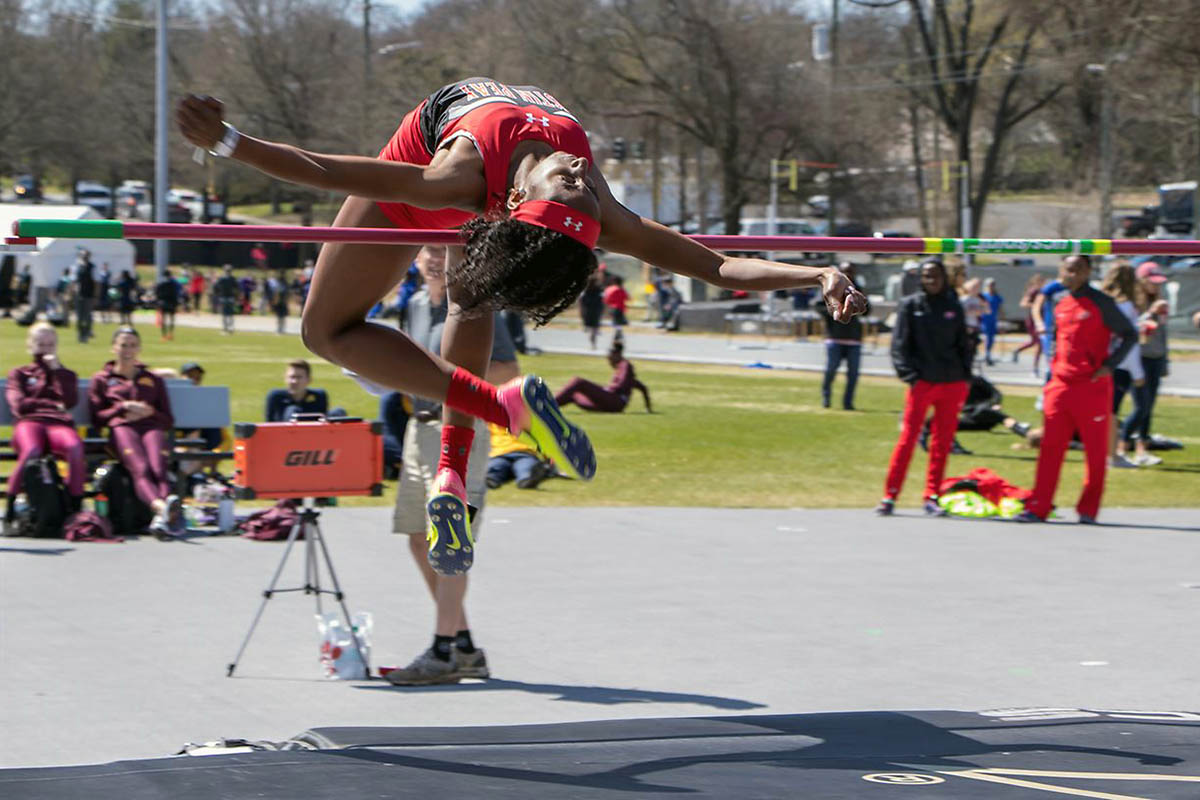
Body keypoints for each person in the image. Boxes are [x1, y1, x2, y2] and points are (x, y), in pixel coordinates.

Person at [176, 79, 865, 574]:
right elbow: (715, 265)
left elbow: (332, 172)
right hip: (458, 201)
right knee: (463, 297)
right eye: (578, 189)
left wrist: (230, 142)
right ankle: (460, 460)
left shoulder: (458, 179)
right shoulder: (594, 205)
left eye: (571, 189)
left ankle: (468, 446)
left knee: (325, 333)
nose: (579, 178)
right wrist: (814, 275)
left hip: (422, 196)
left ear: (516, 202)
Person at [382, 244, 519, 685]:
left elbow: (505, 371)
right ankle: (462, 645)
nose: (437, 258)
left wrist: (446, 379)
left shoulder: (476, 306)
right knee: (418, 539)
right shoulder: (417, 306)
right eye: (428, 250)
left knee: (450, 544)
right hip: (418, 428)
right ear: (415, 259)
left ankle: (443, 651)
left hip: (462, 430)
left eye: (445, 250)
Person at [1015, 256, 1136, 524]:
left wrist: (1109, 365)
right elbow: (1058, 338)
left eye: (1079, 269)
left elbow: (1130, 334)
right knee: (1050, 448)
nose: (1073, 274)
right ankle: (1039, 506)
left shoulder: (1102, 302)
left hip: (1091, 387)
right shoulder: (1061, 302)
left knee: (1095, 451)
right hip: (1060, 386)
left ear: (1088, 272)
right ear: (1061, 272)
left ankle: (1088, 508)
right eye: (1068, 269)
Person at [876, 259, 972, 518]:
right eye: (927, 276)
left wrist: (965, 377)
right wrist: (910, 377)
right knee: (908, 439)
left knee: (942, 444)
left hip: (951, 383)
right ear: (921, 279)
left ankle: (932, 495)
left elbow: (964, 343)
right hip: (923, 383)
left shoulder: (953, 306)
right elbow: (899, 345)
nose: (932, 281)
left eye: (937, 276)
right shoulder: (910, 306)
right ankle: (890, 495)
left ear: (944, 278)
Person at [87, 327, 183, 536]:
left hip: (150, 427)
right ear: (114, 348)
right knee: (140, 468)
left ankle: (161, 513)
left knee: (158, 467)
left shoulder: (152, 379)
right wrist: (122, 408)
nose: (127, 350)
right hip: (121, 429)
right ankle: (162, 508)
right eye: (122, 345)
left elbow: (167, 419)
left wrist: (148, 412)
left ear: (139, 348)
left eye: (132, 345)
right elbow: (96, 418)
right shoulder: (102, 379)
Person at [4, 324, 86, 522]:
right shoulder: (20, 374)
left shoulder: (66, 375)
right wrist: (51, 403)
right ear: (30, 345)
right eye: (40, 344)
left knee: (75, 447)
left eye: (50, 344)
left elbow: (68, 401)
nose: (45, 349)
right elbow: (19, 405)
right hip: (29, 423)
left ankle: (74, 506)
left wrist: (57, 371)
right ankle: (10, 505)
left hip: (58, 425)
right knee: (32, 450)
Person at [1100, 262, 1150, 469]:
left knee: (1104, 411)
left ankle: (1106, 453)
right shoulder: (1127, 306)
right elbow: (1128, 342)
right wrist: (1137, 372)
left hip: (1103, 360)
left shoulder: (1105, 301)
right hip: (1118, 365)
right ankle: (1112, 456)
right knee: (1112, 412)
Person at [1124, 262, 1170, 456]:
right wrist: (1151, 312)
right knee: (1141, 406)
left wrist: (1166, 359)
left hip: (1156, 358)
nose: (1157, 286)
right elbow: (1133, 328)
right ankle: (1122, 443)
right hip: (1139, 358)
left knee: (1149, 406)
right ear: (1142, 281)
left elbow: (1162, 334)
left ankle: (1143, 446)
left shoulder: (1160, 301)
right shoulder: (1133, 301)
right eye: (1153, 282)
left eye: (1159, 283)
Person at [819, 262, 867, 411]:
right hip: (834, 337)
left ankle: (848, 403)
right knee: (830, 370)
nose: (849, 274)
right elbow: (817, 304)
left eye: (851, 271)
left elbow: (867, 309)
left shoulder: (858, 288)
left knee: (853, 374)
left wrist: (857, 304)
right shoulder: (832, 286)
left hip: (853, 339)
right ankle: (826, 397)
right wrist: (833, 309)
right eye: (846, 271)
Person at [555, 341, 651, 413]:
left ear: (616, 355)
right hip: (611, 405)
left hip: (615, 401)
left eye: (610, 357)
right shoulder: (624, 371)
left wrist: (607, 389)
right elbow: (642, 387)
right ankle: (548, 409)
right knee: (574, 395)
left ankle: (550, 403)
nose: (609, 360)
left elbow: (621, 384)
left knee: (578, 381)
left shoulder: (625, 365)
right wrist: (648, 408)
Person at [486, 423, 553, 490]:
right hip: (500, 453)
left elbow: (541, 438)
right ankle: (491, 478)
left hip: (523, 452)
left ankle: (527, 480)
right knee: (496, 465)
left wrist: (548, 457)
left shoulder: (527, 420)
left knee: (525, 466)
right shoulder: (490, 422)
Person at [265, 359, 333, 421]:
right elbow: (269, 422)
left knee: (338, 412)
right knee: (292, 410)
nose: (294, 381)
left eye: (299, 377)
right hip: (284, 433)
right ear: (285, 378)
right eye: (291, 377)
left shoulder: (319, 396)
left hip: (311, 433)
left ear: (309, 380)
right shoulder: (276, 397)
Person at [1012, 273, 1045, 371]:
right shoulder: (1033, 291)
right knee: (1038, 343)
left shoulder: (1042, 292)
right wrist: (1035, 305)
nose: (1042, 283)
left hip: (1040, 320)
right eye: (1040, 281)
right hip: (1032, 321)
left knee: (1035, 342)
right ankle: (1035, 367)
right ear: (1036, 282)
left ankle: (1017, 350)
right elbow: (1023, 303)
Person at [71, 249, 97, 344]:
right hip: (79, 295)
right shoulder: (77, 267)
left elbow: (95, 282)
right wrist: (71, 293)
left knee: (87, 316)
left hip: (88, 295)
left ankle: (86, 334)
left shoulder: (92, 267)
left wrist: (95, 296)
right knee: (79, 317)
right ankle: (80, 334)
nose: (84, 257)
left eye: (86, 255)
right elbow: (73, 281)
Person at [578, 270, 605, 349]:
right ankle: (593, 343)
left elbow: (581, 301)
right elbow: (603, 299)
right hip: (596, 311)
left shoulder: (585, 290)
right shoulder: (599, 290)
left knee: (591, 328)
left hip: (588, 310)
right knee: (594, 328)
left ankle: (590, 336)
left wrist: (581, 311)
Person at [979, 277, 1003, 366]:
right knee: (986, 337)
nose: (991, 286)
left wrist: (1002, 317)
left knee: (992, 338)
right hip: (984, 319)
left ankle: (988, 353)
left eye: (993, 285)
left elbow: (1000, 308)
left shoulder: (997, 297)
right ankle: (986, 354)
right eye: (990, 285)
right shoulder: (983, 296)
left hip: (993, 319)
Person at [155, 268, 182, 340]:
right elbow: (177, 292)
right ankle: (171, 334)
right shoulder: (174, 283)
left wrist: (159, 300)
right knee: (171, 319)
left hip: (163, 303)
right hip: (172, 303)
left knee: (163, 320)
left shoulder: (161, 283)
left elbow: (157, 293)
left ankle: (164, 335)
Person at [213, 264, 239, 334]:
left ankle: (225, 328)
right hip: (231, 298)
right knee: (230, 314)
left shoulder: (222, 278)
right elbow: (237, 289)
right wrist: (236, 297)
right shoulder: (233, 279)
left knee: (224, 314)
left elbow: (215, 287)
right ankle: (231, 328)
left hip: (223, 297)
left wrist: (218, 294)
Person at [268, 269, 290, 334]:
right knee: (279, 316)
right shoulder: (278, 283)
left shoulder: (285, 283)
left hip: (283, 301)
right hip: (279, 301)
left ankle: (282, 329)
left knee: (282, 316)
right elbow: (275, 293)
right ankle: (279, 329)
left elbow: (287, 293)